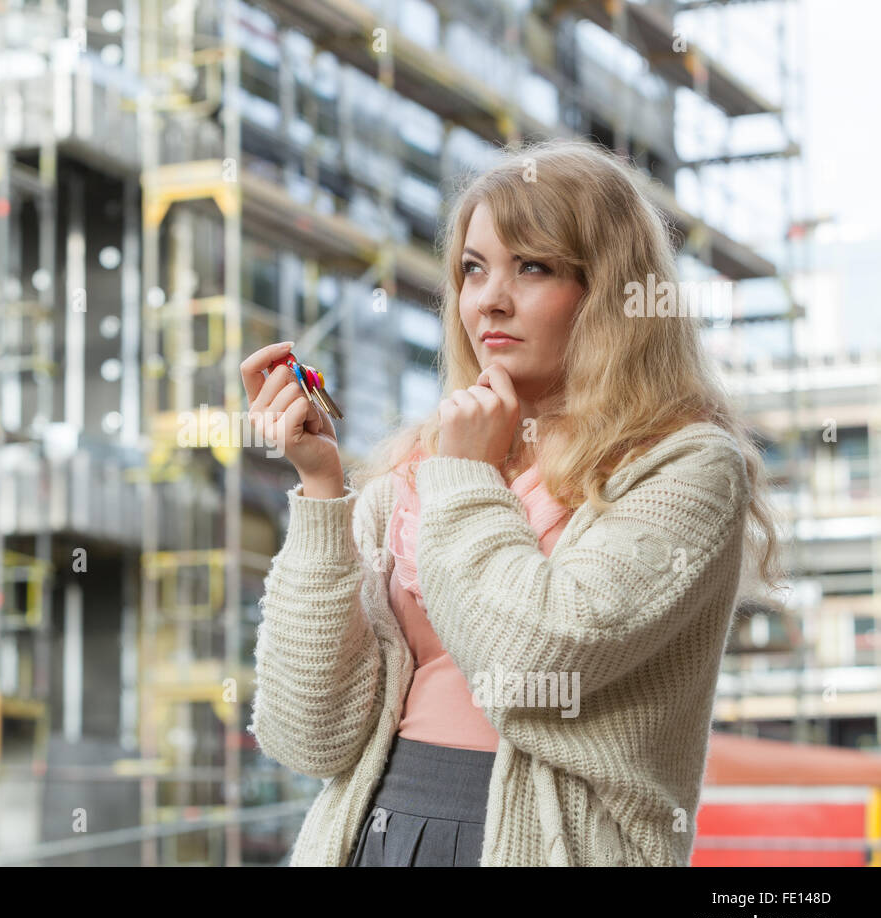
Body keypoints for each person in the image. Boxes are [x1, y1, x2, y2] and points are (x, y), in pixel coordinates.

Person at [241, 139, 785, 866]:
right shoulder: (414, 468)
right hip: (368, 837)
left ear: (612, 293)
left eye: (533, 266)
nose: (489, 298)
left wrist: (468, 477)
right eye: (473, 268)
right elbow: (307, 734)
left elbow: (530, 660)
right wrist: (321, 490)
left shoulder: (685, 467)